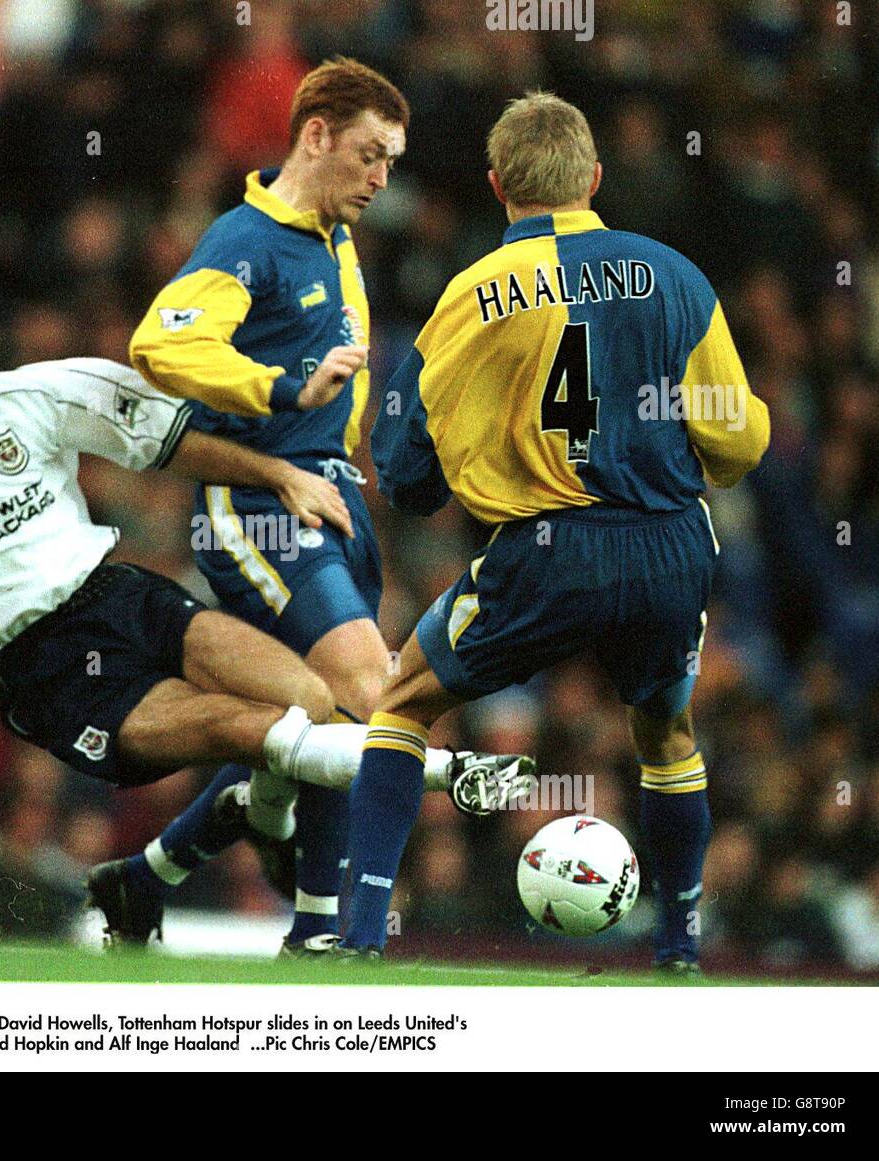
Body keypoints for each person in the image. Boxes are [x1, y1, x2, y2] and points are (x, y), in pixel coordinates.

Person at [0, 265, 527, 889]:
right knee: (264, 729)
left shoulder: (29, 398)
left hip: (121, 595)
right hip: (44, 669)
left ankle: (266, 819)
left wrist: (276, 473)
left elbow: (171, 440)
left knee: (309, 693)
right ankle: (454, 774)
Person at [100, 57, 531, 954]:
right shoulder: (244, 242)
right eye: (370, 155)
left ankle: (157, 878)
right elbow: (158, 343)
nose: (382, 179)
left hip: (334, 498)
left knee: (328, 722)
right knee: (377, 692)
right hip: (259, 505)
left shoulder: (333, 239)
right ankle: (371, 881)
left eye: (393, 162)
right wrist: (281, 387)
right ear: (315, 135)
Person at [334, 93, 770, 971]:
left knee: (404, 701)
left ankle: (360, 931)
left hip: (546, 549)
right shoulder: (675, 275)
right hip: (668, 545)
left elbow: (407, 460)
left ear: (498, 186)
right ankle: (682, 943)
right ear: (595, 180)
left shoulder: (471, 294)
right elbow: (738, 438)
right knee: (665, 734)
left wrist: (441, 481)